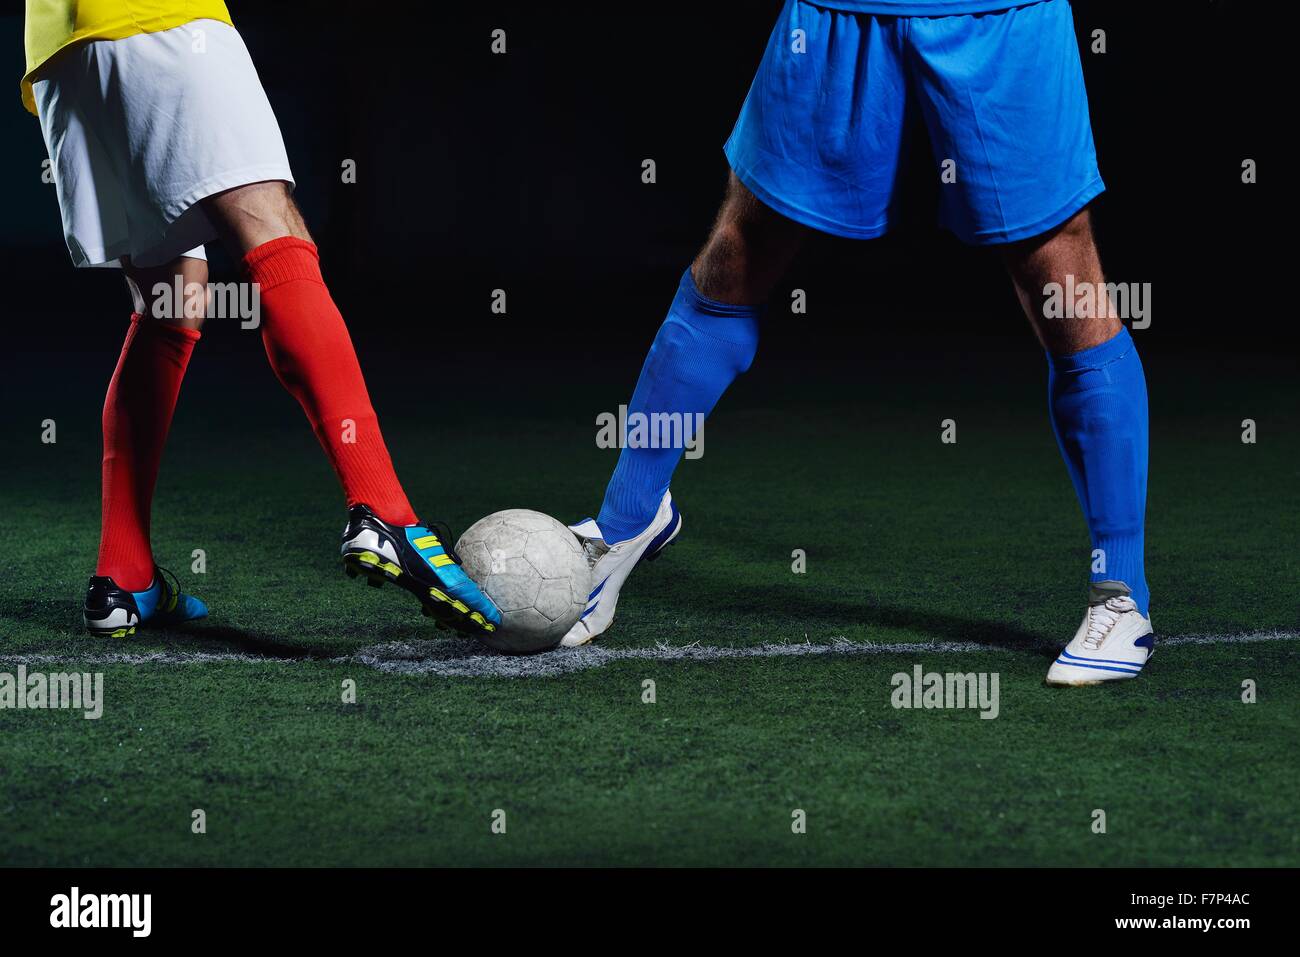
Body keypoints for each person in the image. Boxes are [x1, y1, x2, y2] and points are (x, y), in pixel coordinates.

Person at [563, 0, 1153, 686]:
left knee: (1060, 271)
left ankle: (1121, 593)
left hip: (998, 15)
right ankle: (626, 520)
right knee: (739, 250)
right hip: (838, 13)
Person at [21, 0, 501, 638]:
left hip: (60, 52)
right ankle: (386, 512)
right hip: (159, 21)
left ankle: (123, 576)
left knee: (168, 298)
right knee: (274, 237)